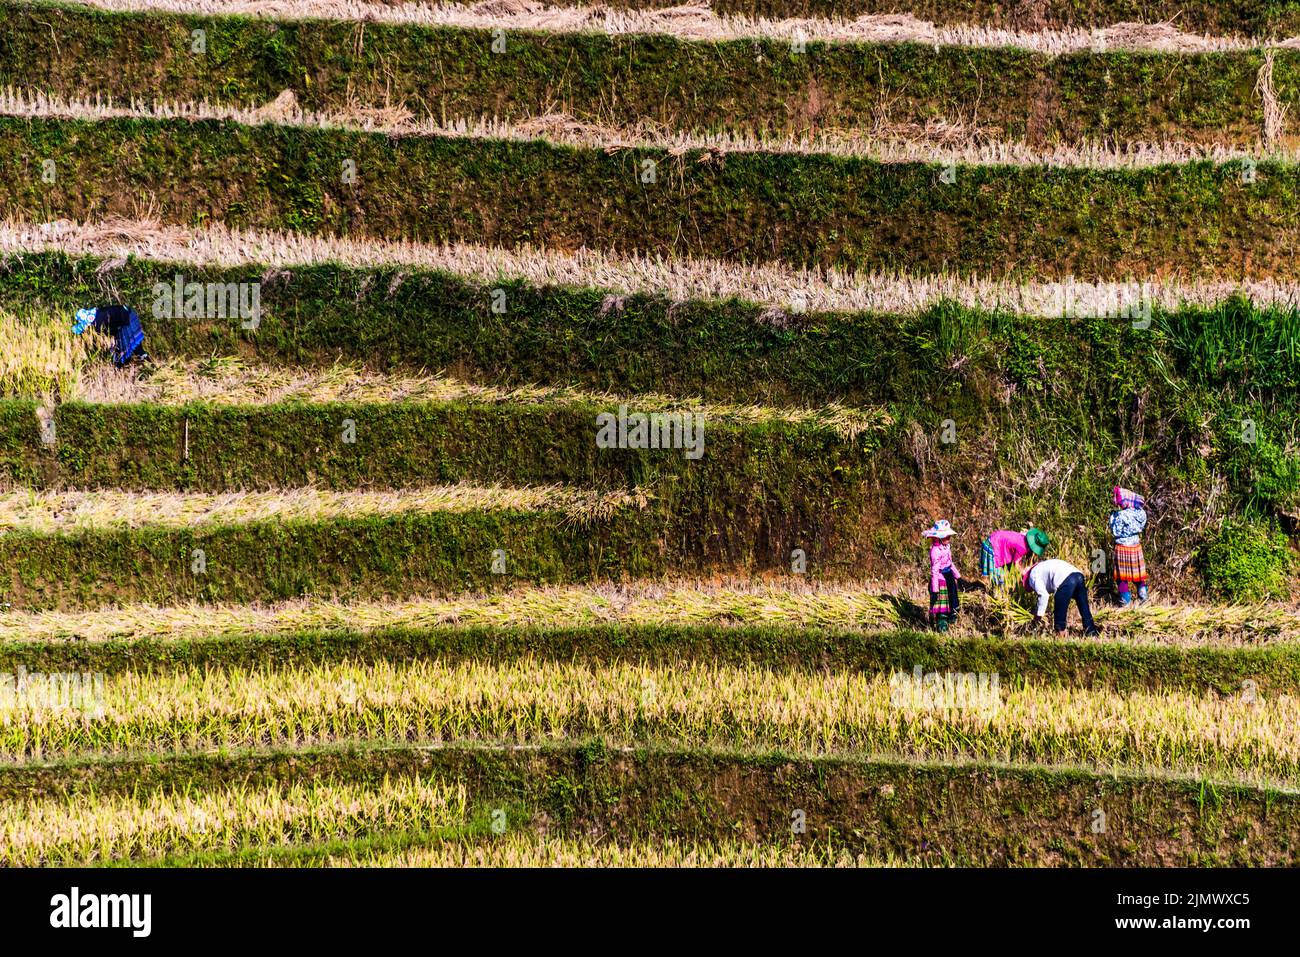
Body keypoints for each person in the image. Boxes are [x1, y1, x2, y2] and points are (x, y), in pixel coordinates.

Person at [1023, 558, 1101, 636]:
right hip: (1078, 575)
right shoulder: (1041, 567)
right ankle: (1091, 633)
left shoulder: (1032, 575)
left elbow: (1044, 595)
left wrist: (1038, 615)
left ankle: (1061, 635)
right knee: (1084, 607)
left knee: (1060, 609)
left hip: (1066, 579)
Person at [1109, 486, 1149, 606]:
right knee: (1138, 575)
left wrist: (1113, 517)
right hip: (1136, 547)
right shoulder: (1141, 513)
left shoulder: (1120, 516)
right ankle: (1143, 597)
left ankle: (1125, 602)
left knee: (1122, 577)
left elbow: (1116, 532)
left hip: (1122, 548)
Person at [72, 305, 148, 366]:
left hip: (127, 318)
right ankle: (146, 361)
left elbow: (114, 334)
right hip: (128, 314)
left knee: (126, 345)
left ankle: (125, 365)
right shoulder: (98, 313)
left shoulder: (98, 324)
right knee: (131, 344)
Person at [922, 519, 961, 632]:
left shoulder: (946, 547)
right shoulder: (935, 551)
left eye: (949, 536)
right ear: (939, 537)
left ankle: (951, 620)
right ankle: (941, 625)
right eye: (946, 536)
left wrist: (958, 576)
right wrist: (935, 589)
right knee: (942, 606)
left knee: (952, 600)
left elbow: (950, 563)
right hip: (940, 580)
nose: (948, 538)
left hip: (949, 576)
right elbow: (934, 571)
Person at [980, 527, 1049, 586]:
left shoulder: (1024, 537)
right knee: (1000, 577)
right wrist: (1024, 572)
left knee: (1002, 574)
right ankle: (993, 593)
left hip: (994, 538)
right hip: (993, 545)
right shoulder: (1022, 547)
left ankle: (993, 590)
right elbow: (1016, 564)